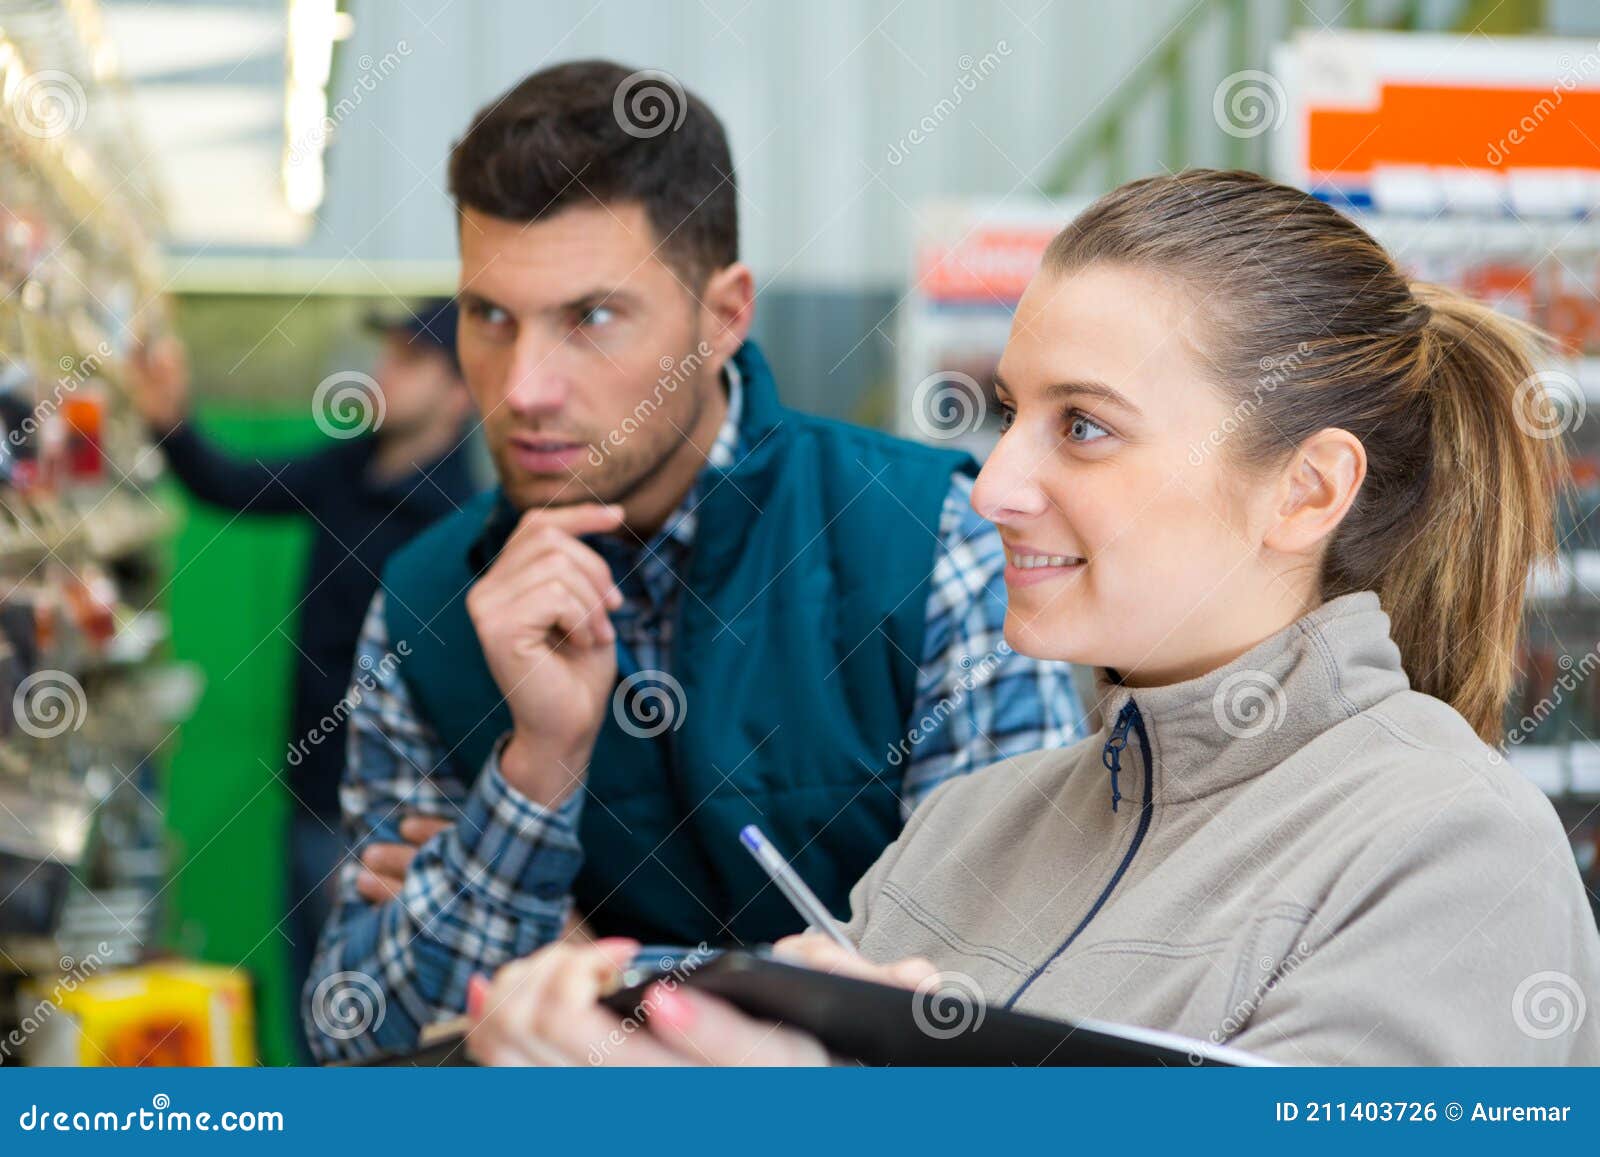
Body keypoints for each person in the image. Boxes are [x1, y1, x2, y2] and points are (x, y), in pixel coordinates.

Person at [466, 170, 1600, 1067]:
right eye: (1011, 413)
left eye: (1085, 427)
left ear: (1304, 489)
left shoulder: (1448, 848)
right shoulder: (966, 829)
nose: (996, 483)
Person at [304, 60, 1083, 1062]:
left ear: (722, 316)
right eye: (490, 316)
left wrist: (582, 962)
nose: (524, 385)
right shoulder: (425, 601)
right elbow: (359, 1036)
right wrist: (534, 772)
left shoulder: (937, 542)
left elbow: (997, 993)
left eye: (590, 317)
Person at [130, 299, 479, 1060]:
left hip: (389, 821)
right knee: (313, 1009)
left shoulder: (458, 517)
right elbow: (232, 485)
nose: (385, 371)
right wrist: (170, 419)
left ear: (461, 392)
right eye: (386, 352)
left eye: (410, 359)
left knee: (374, 1029)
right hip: (313, 792)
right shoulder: (350, 465)